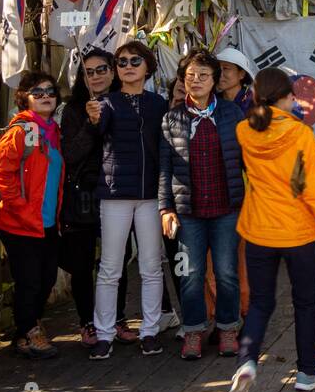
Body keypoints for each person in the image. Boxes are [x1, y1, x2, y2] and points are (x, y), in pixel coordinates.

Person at [228, 67, 315, 392]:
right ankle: (307, 371)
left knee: (261, 303)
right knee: (305, 302)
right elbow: (307, 186)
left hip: (259, 229)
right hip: (298, 231)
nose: (296, 100)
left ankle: (246, 362)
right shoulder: (299, 133)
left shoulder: (243, 131)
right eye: (293, 95)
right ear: (284, 97)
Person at [159, 49, 246, 360]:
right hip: (188, 213)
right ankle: (194, 331)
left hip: (227, 209)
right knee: (190, 273)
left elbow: (248, 160)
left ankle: (227, 329)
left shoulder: (232, 114)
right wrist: (165, 209)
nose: (195, 81)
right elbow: (165, 167)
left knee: (226, 272)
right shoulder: (172, 119)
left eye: (203, 76)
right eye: (190, 76)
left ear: (214, 81)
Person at [88, 40, 169, 359]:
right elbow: (96, 135)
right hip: (115, 195)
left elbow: (165, 149)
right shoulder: (105, 103)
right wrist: (93, 118)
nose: (128, 66)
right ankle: (104, 334)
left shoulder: (158, 104)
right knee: (110, 268)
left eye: (135, 60)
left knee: (152, 266)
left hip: (150, 196)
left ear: (147, 67)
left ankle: (149, 331)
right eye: (121, 62)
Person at [59, 49, 137, 347]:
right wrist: (92, 124)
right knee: (82, 263)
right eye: (89, 71)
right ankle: (87, 322)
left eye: (102, 69)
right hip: (83, 196)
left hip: (117, 191)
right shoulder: (74, 109)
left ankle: (116, 318)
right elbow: (71, 154)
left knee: (115, 258)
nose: (97, 76)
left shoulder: (124, 101)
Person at [0, 72, 65, 358]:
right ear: (25, 99)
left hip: (46, 221)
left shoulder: (52, 130)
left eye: (50, 91)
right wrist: (21, 207)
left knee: (45, 279)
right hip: (20, 223)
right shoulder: (23, 131)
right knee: (30, 280)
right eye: (38, 92)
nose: (45, 96)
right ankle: (29, 333)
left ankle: (26, 330)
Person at [215, 47, 256, 114]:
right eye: (217, 68)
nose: (220, 73)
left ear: (241, 74)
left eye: (225, 68)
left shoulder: (253, 101)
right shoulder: (213, 101)